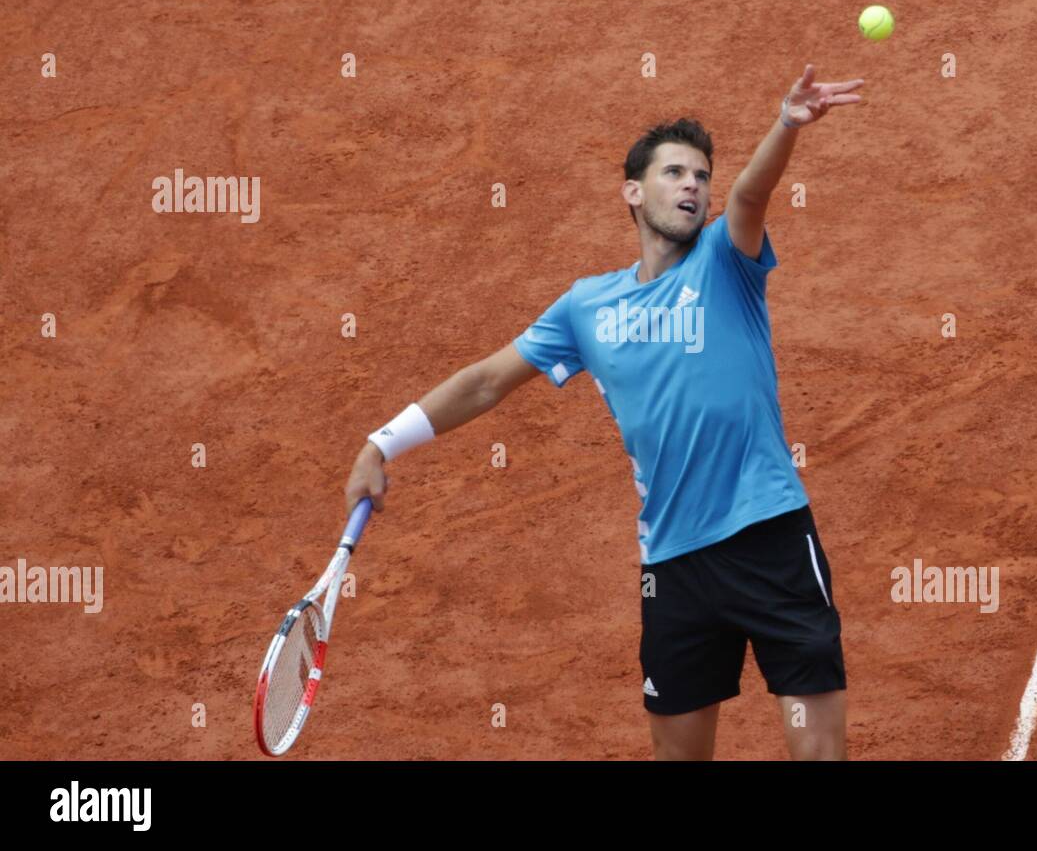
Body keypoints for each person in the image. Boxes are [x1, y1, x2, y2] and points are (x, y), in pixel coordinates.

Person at [346, 64, 864, 760]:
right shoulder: (588, 306)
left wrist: (786, 125)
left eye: (701, 176)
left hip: (769, 537)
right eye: (674, 172)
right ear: (633, 191)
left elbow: (750, 193)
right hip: (675, 563)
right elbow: (487, 382)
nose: (692, 185)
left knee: (819, 755)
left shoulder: (724, 260)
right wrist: (381, 443)